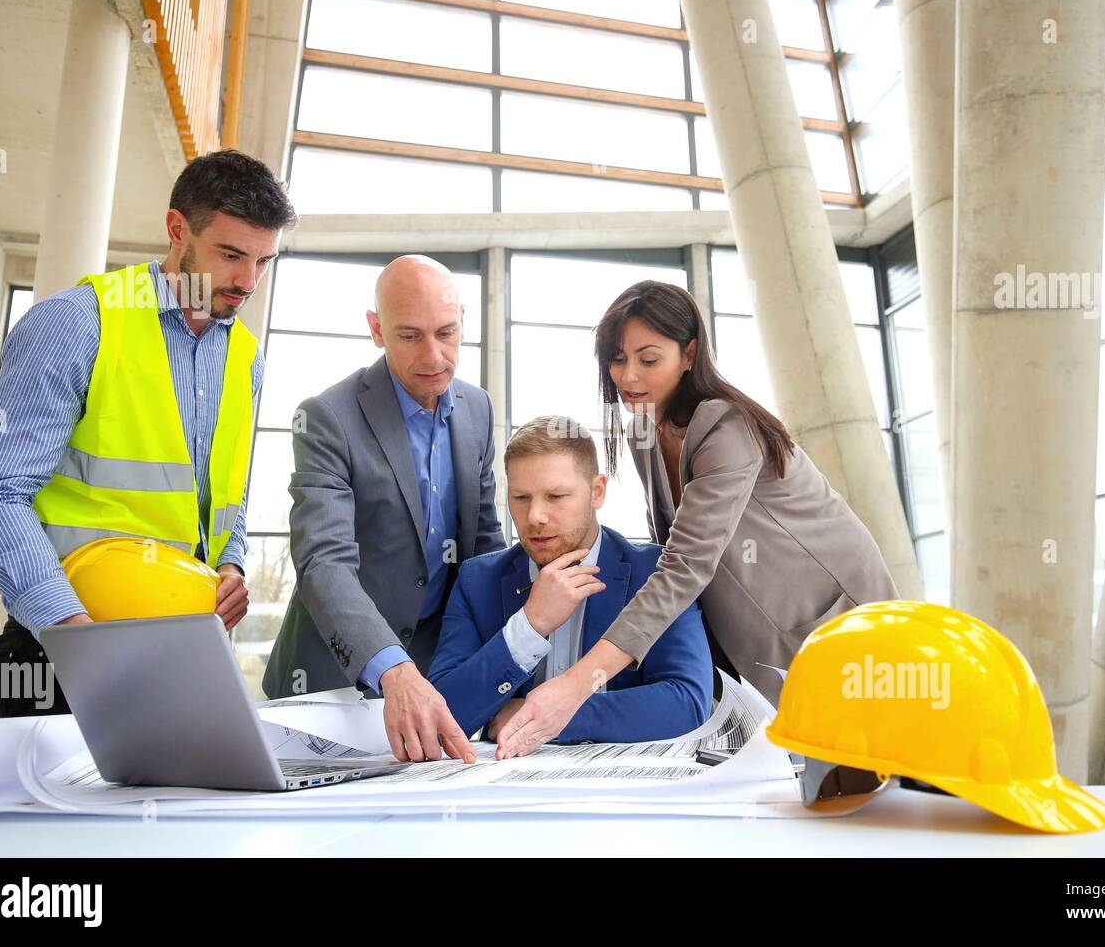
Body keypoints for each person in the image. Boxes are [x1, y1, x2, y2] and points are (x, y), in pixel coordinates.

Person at [0, 149, 295, 718]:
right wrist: (72, 633)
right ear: (176, 229)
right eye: (231, 255)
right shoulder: (77, 323)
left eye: (264, 261)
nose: (247, 281)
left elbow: (218, 498)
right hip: (56, 656)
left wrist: (230, 566)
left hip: (181, 655)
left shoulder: (244, 357)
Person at [495, 281, 899, 757]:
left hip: (830, 619)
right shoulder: (644, 432)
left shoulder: (725, 424)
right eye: (618, 359)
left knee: (879, 763)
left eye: (649, 359)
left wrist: (577, 684)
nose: (628, 376)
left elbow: (686, 565)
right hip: (754, 639)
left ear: (689, 355)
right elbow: (670, 546)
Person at [263, 255, 506, 765]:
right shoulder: (328, 417)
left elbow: (484, 548)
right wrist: (394, 671)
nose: (434, 355)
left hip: (436, 683)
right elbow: (323, 564)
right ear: (376, 329)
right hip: (328, 687)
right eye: (410, 336)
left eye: (447, 332)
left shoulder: (478, 408)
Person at [428, 416, 712, 746]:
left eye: (556, 496)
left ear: (596, 492)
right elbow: (440, 717)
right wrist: (529, 626)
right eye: (521, 498)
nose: (535, 516)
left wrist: (549, 717)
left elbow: (688, 704)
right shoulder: (478, 581)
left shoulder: (656, 573)